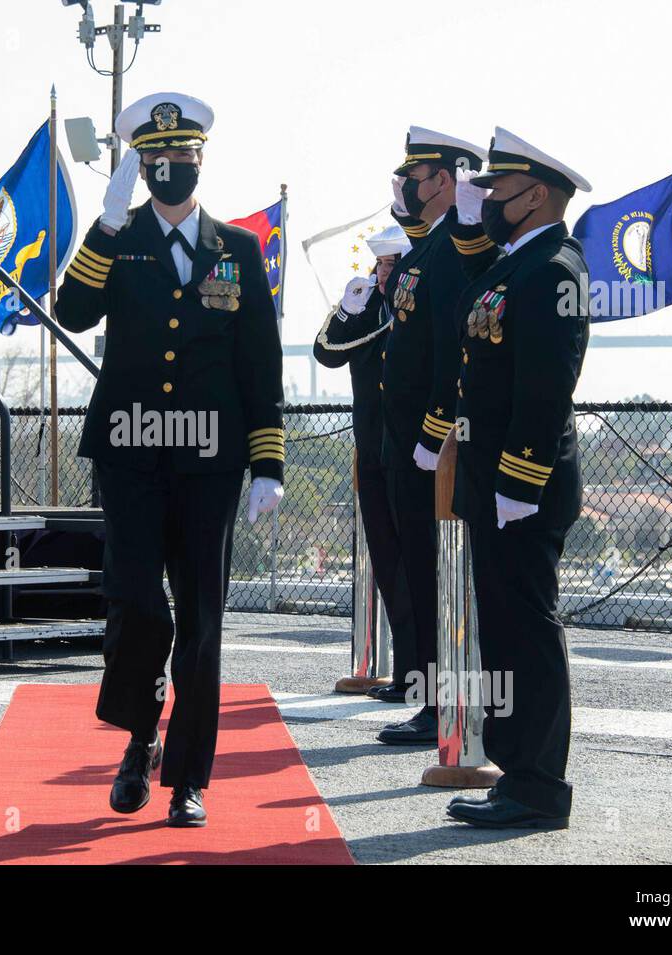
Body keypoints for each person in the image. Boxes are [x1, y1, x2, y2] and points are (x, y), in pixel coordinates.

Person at [55, 92, 285, 828]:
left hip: (209, 461)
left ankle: (188, 778)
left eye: (180, 157)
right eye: (154, 160)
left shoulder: (239, 251)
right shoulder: (118, 241)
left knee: (202, 620)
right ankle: (136, 736)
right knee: (137, 603)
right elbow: (73, 310)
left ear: (200, 160)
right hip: (128, 453)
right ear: (141, 167)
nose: (168, 168)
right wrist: (104, 225)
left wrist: (267, 460)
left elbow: (259, 362)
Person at [442, 128, 591, 830]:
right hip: (494, 482)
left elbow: (546, 385)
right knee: (502, 628)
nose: (489, 197)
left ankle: (539, 785)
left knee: (528, 630)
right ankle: (516, 772)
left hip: (520, 485)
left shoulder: (555, 268)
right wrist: (472, 220)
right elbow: (476, 289)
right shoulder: (516, 263)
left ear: (536, 195)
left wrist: (519, 479)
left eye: (499, 188)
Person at [374, 128, 493, 746]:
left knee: (437, 577)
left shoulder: (457, 250)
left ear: (445, 180)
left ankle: (440, 704)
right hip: (407, 442)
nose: (406, 187)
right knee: (419, 573)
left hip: (434, 446)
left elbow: (456, 348)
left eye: (415, 177)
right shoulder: (428, 249)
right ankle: (428, 698)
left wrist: (434, 431)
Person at [311, 225, 419, 702]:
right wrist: (347, 310)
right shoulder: (372, 310)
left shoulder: (414, 309)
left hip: (415, 455)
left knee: (417, 570)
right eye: (381, 266)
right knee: (390, 565)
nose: (383, 274)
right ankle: (406, 673)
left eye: (393, 264)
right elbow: (326, 353)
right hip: (372, 453)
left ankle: (421, 675)